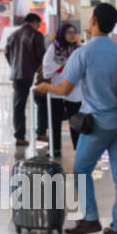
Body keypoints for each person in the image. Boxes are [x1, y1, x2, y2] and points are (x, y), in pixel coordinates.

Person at [34, 2, 117, 234]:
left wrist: (46, 87)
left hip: (97, 123)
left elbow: (65, 90)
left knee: (81, 170)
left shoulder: (83, 53)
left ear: (94, 22)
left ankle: (90, 218)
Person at [4, 13, 46, 147]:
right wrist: (38, 70)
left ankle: (20, 136)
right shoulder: (36, 35)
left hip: (17, 74)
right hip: (32, 74)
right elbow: (42, 56)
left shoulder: (12, 35)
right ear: (34, 22)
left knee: (18, 105)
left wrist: (15, 66)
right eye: (38, 24)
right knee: (41, 102)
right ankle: (41, 132)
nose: (38, 27)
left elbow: (7, 53)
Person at [41, 22, 83, 154]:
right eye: (69, 32)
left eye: (74, 32)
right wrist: (63, 65)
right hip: (56, 90)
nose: (72, 35)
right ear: (62, 34)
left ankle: (79, 147)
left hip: (74, 90)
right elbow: (47, 65)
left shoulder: (78, 49)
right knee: (55, 121)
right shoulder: (54, 48)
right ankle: (55, 148)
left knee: (76, 120)